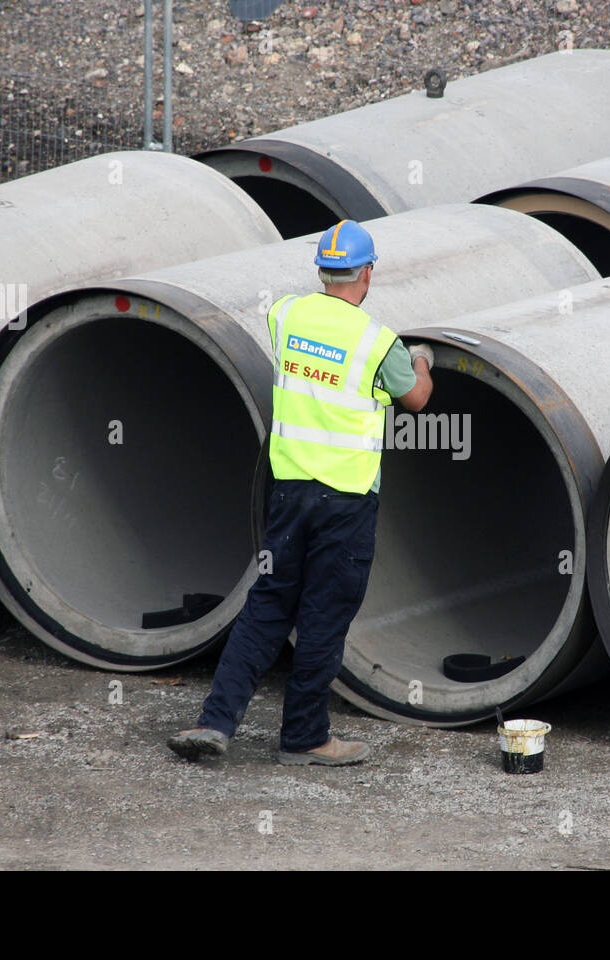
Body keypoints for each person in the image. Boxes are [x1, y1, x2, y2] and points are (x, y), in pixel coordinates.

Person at [167, 219, 433, 766]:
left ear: (322, 271)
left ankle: (215, 723)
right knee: (323, 615)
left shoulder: (285, 314)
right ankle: (306, 738)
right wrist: (421, 357)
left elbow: (313, 367)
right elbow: (417, 400)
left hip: (288, 494)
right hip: (346, 501)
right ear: (367, 272)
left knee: (267, 606)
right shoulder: (378, 343)